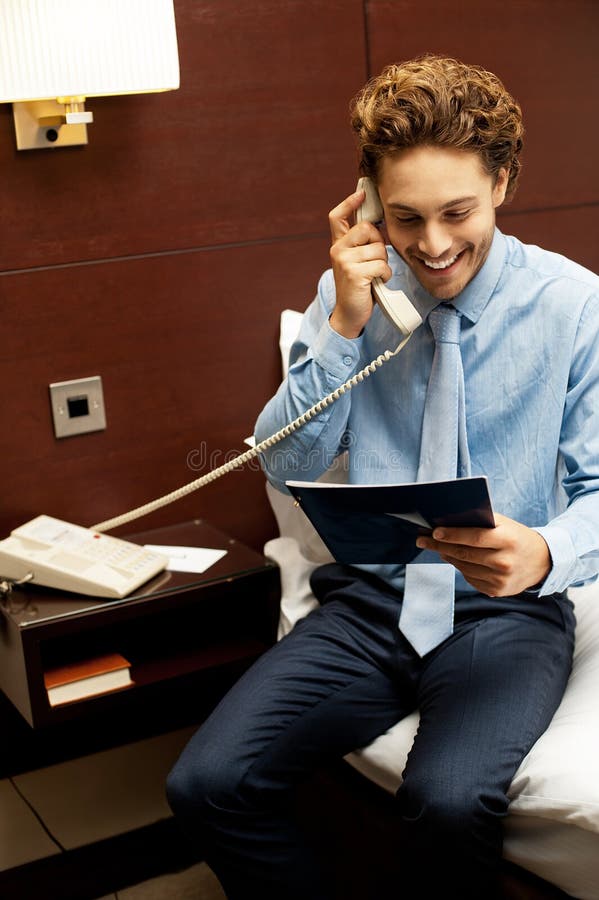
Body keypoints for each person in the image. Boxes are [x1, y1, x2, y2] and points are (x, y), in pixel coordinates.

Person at [167, 55, 599, 898]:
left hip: (504, 618)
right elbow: (285, 466)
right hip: (369, 605)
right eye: (404, 218)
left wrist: (544, 552)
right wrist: (341, 324)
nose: (432, 246)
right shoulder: (355, 300)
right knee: (204, 785)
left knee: (443, 800)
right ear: (365, 206)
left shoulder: (575, 306)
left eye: (456, 213)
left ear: (503, 182)